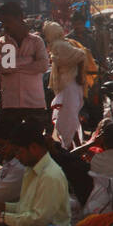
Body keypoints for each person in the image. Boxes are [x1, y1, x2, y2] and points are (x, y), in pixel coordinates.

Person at [0, 120, 71, 226]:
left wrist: (1, 217)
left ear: (34, 148)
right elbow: (26, 207)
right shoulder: (31, 169)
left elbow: (38, 221)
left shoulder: (50, 176)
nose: (17, 156)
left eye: (19, 152)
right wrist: (4, 207)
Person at [0, 2, 48, 126]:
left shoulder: (36, 41)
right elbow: (5, 68)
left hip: (34, 101)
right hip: (9, 103)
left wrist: (15, 65)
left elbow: (43, 66)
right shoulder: (2, 43)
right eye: (3, 22)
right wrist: (29, 60)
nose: (5, 26)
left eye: (8, 21)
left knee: (33, 143)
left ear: (19, 17)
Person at [41, 21, 87, 150]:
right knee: (68, 119)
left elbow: (81, 55)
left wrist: (78, 76)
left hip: (69, 85)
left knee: (67, 120)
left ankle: (74, 148)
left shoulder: (59, 45)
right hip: (67, 86)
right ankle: (75, 147)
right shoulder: (59, 45)